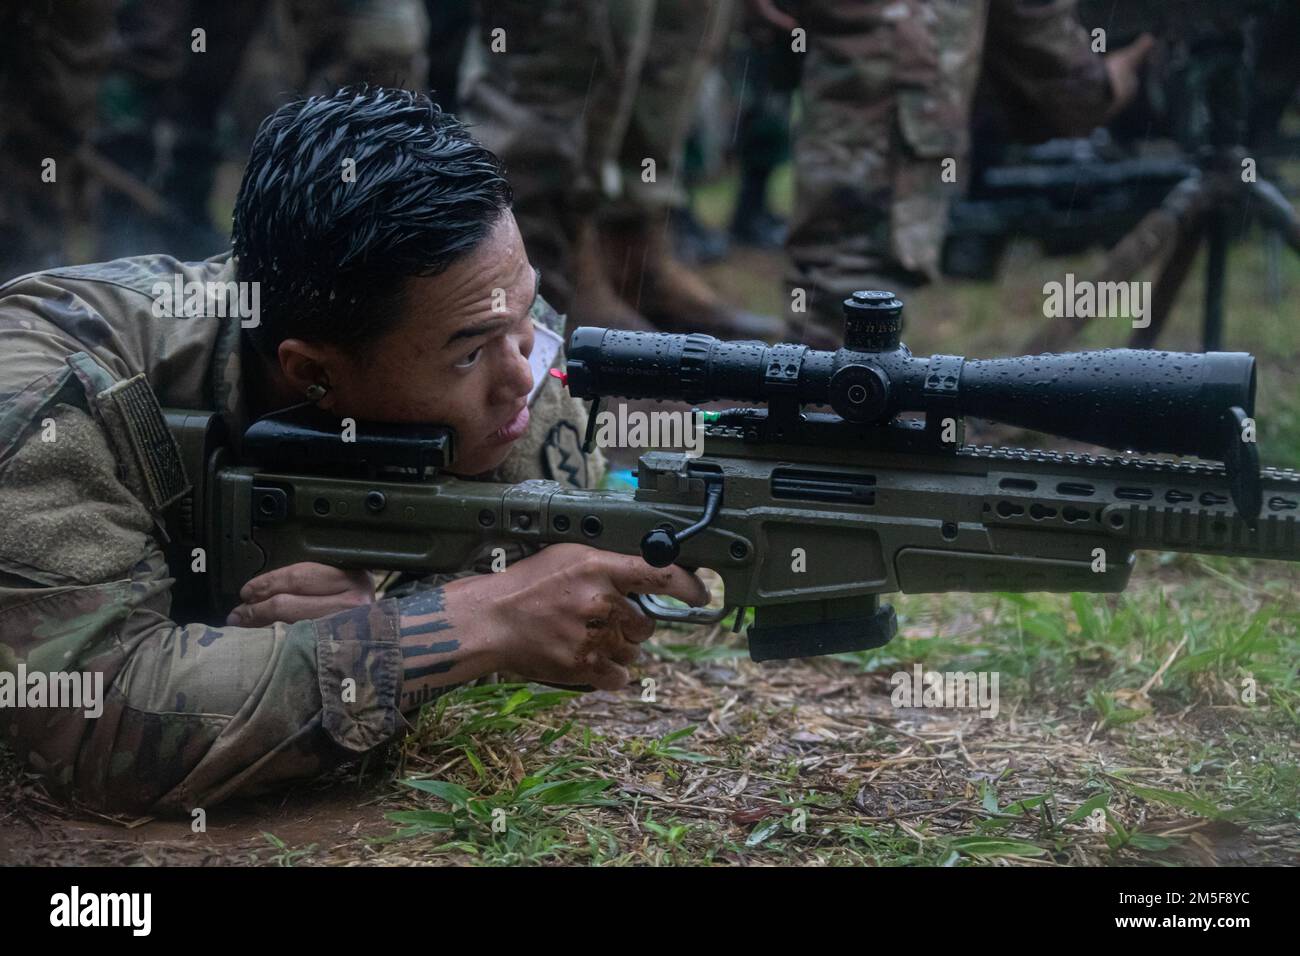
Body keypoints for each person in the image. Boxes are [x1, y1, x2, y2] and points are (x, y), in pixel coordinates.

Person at [0, 86, 707, 816]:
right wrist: (456, 628)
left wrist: (370, 620)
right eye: (468, 358)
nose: (523, 376)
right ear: (312, 373)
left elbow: (556, 618)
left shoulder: (504, 337)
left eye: (524, 316)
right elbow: (92, 727)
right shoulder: (42, 394)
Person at [750, 0, 1153, 338]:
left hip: (882, 42)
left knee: (841, 266)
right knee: (855, 269)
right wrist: (1095, 85)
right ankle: (827, 415)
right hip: (904, 43)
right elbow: (1031, 20)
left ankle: (822, 403)